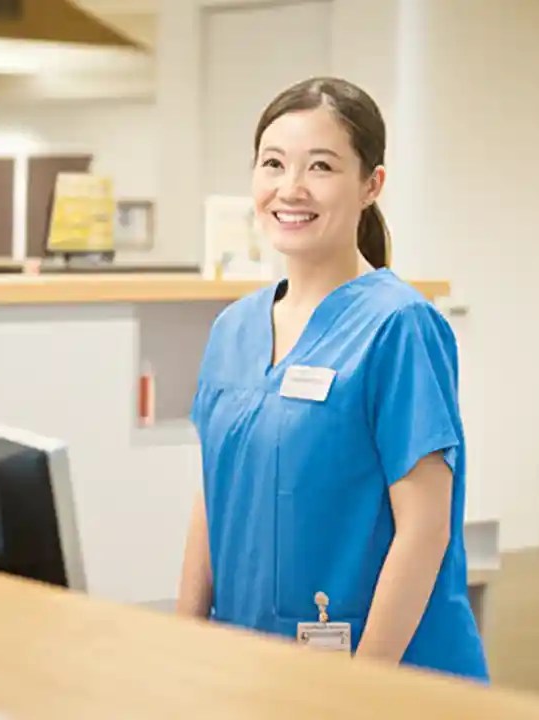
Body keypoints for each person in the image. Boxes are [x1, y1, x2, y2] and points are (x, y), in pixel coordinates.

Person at [177, 76, 489, 682]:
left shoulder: (399, 327)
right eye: (273, 163)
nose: (290, 188)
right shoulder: (234, 329)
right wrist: (186, 639)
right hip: (253, 660)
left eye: (320, 166)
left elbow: (424, 532)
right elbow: (214, 491)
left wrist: (358, 690)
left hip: (382, 673)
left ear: (371, 185)